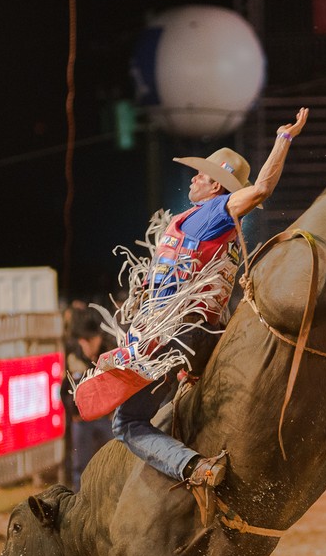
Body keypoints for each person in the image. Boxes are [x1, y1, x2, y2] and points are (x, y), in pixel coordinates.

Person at [74, 107, 308, 492]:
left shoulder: (216, 212)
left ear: (217, 186)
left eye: (203, 174)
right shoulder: (193, 222)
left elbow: (263, 188)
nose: (195, 177)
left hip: (179, 336)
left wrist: (283, 139)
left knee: (127, 424)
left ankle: (194, 467)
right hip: (191, 335)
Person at [64, 310, 114, 492]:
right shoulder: (73, 357)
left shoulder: (110, 355)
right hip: (82, 421)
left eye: (89, 339)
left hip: (105, 418)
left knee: (112, 462)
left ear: (98, 338)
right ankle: (80, 500)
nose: (86, 344)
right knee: (81, 465)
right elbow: (64, 390)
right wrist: (73, 413)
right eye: (83, 340)